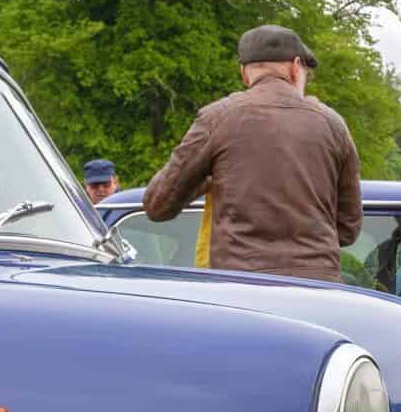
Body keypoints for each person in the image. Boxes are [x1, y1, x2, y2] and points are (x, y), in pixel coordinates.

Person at [143, 24, 362, 282]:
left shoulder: (217, 118)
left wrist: (210, 179)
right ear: (295, 67)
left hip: (242, 289)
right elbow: (348, 229)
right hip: (318, 287)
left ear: (244, 74)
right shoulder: (333, 124)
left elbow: (157, 205)